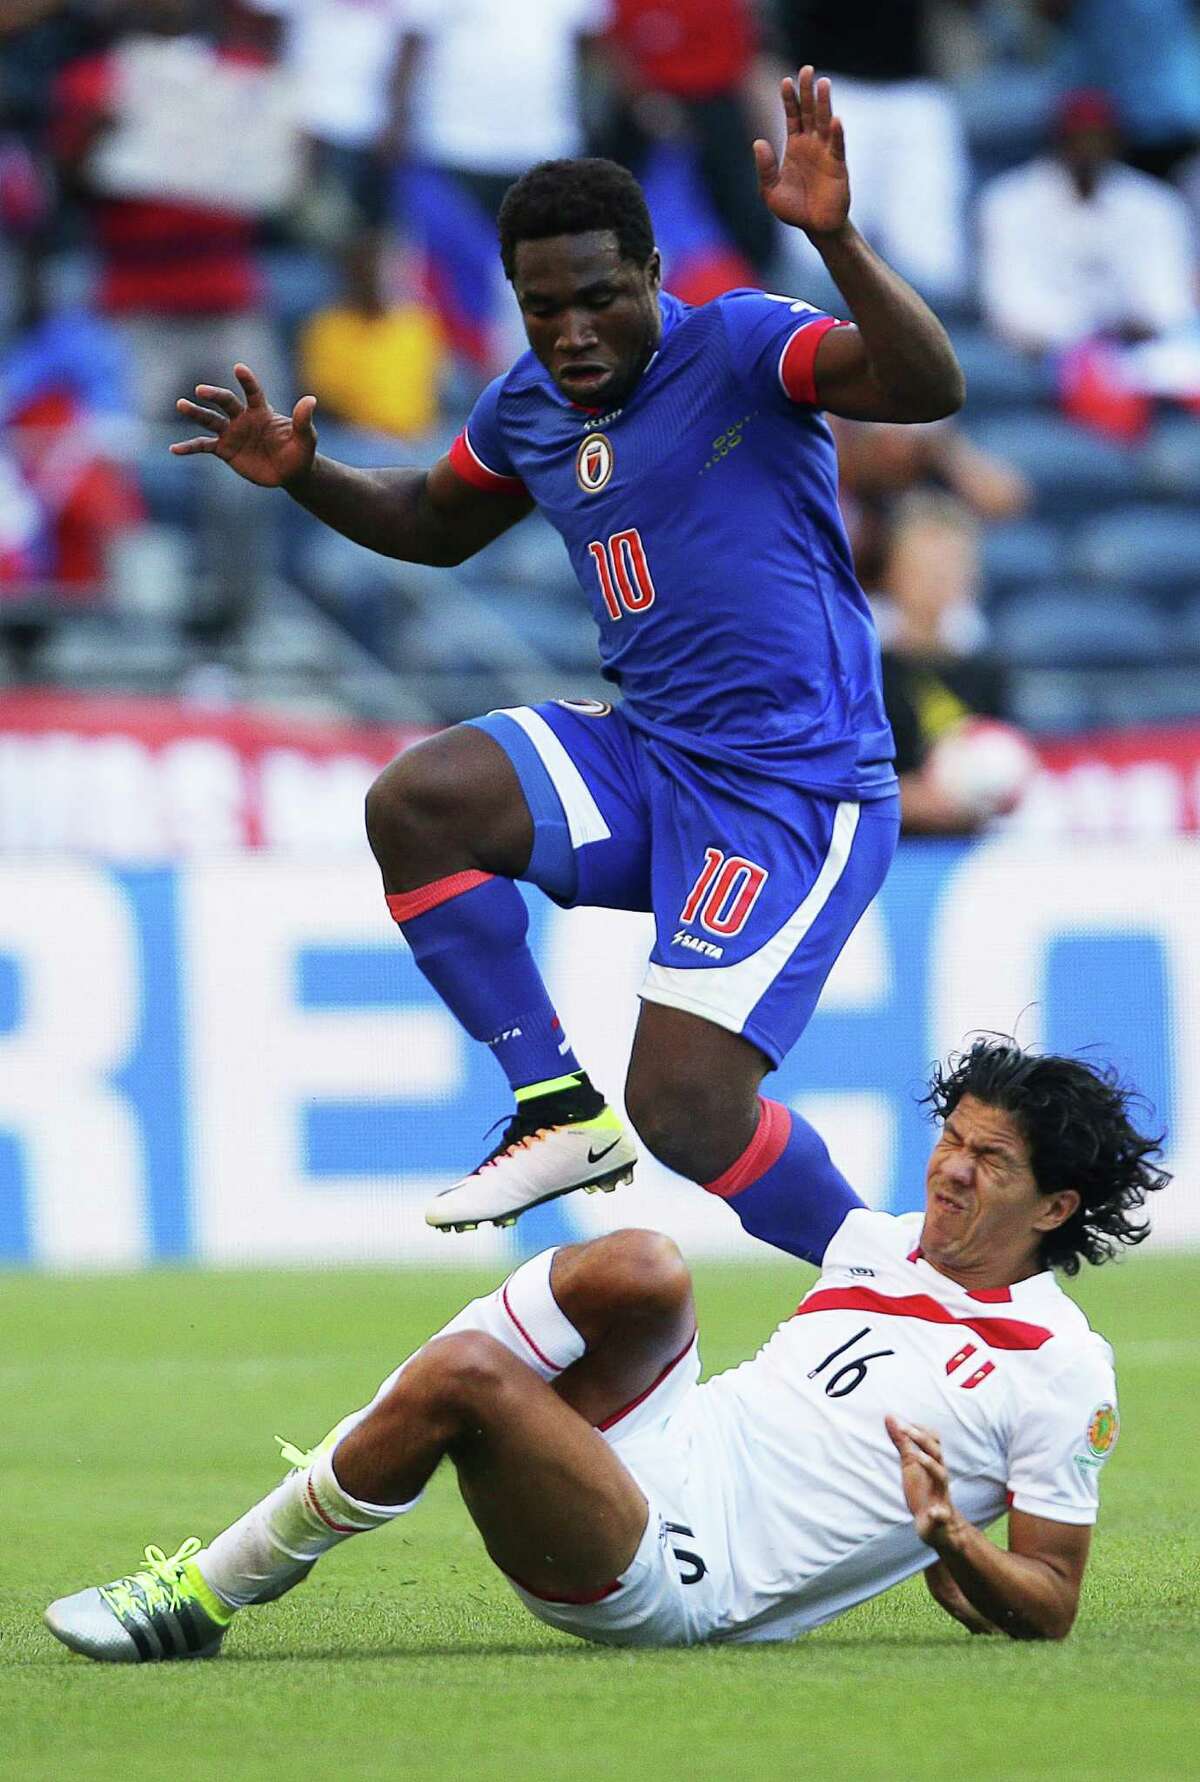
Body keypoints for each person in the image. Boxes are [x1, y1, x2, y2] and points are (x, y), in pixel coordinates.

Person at [169, 68, 964, 1240]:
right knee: (421, 803)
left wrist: (836, 239)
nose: (571, 331)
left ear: (651, 276)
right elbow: (435, 528)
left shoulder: (741, 346)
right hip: (651, 761)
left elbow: (926, 385)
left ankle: (894, 1289)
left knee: (689, 1109)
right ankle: (556, 1112)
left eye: (598, 298)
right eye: (543, 307)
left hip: (793, 786)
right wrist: (307, 476)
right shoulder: (528, 406)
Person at [44, 1039, 1169, 1658]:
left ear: (1059, 1206)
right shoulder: (871, 1245)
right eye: (950, 1138)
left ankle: (204, 1593)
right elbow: (725, 1134)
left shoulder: (1063, 1371)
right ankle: (402, 1421)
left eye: (991, 1162)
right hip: (658, 1449)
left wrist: (947, 1542)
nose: (951, 1169)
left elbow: (1048, 1603)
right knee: (641, 1263)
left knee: (475, 1381)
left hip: (684, 1571)